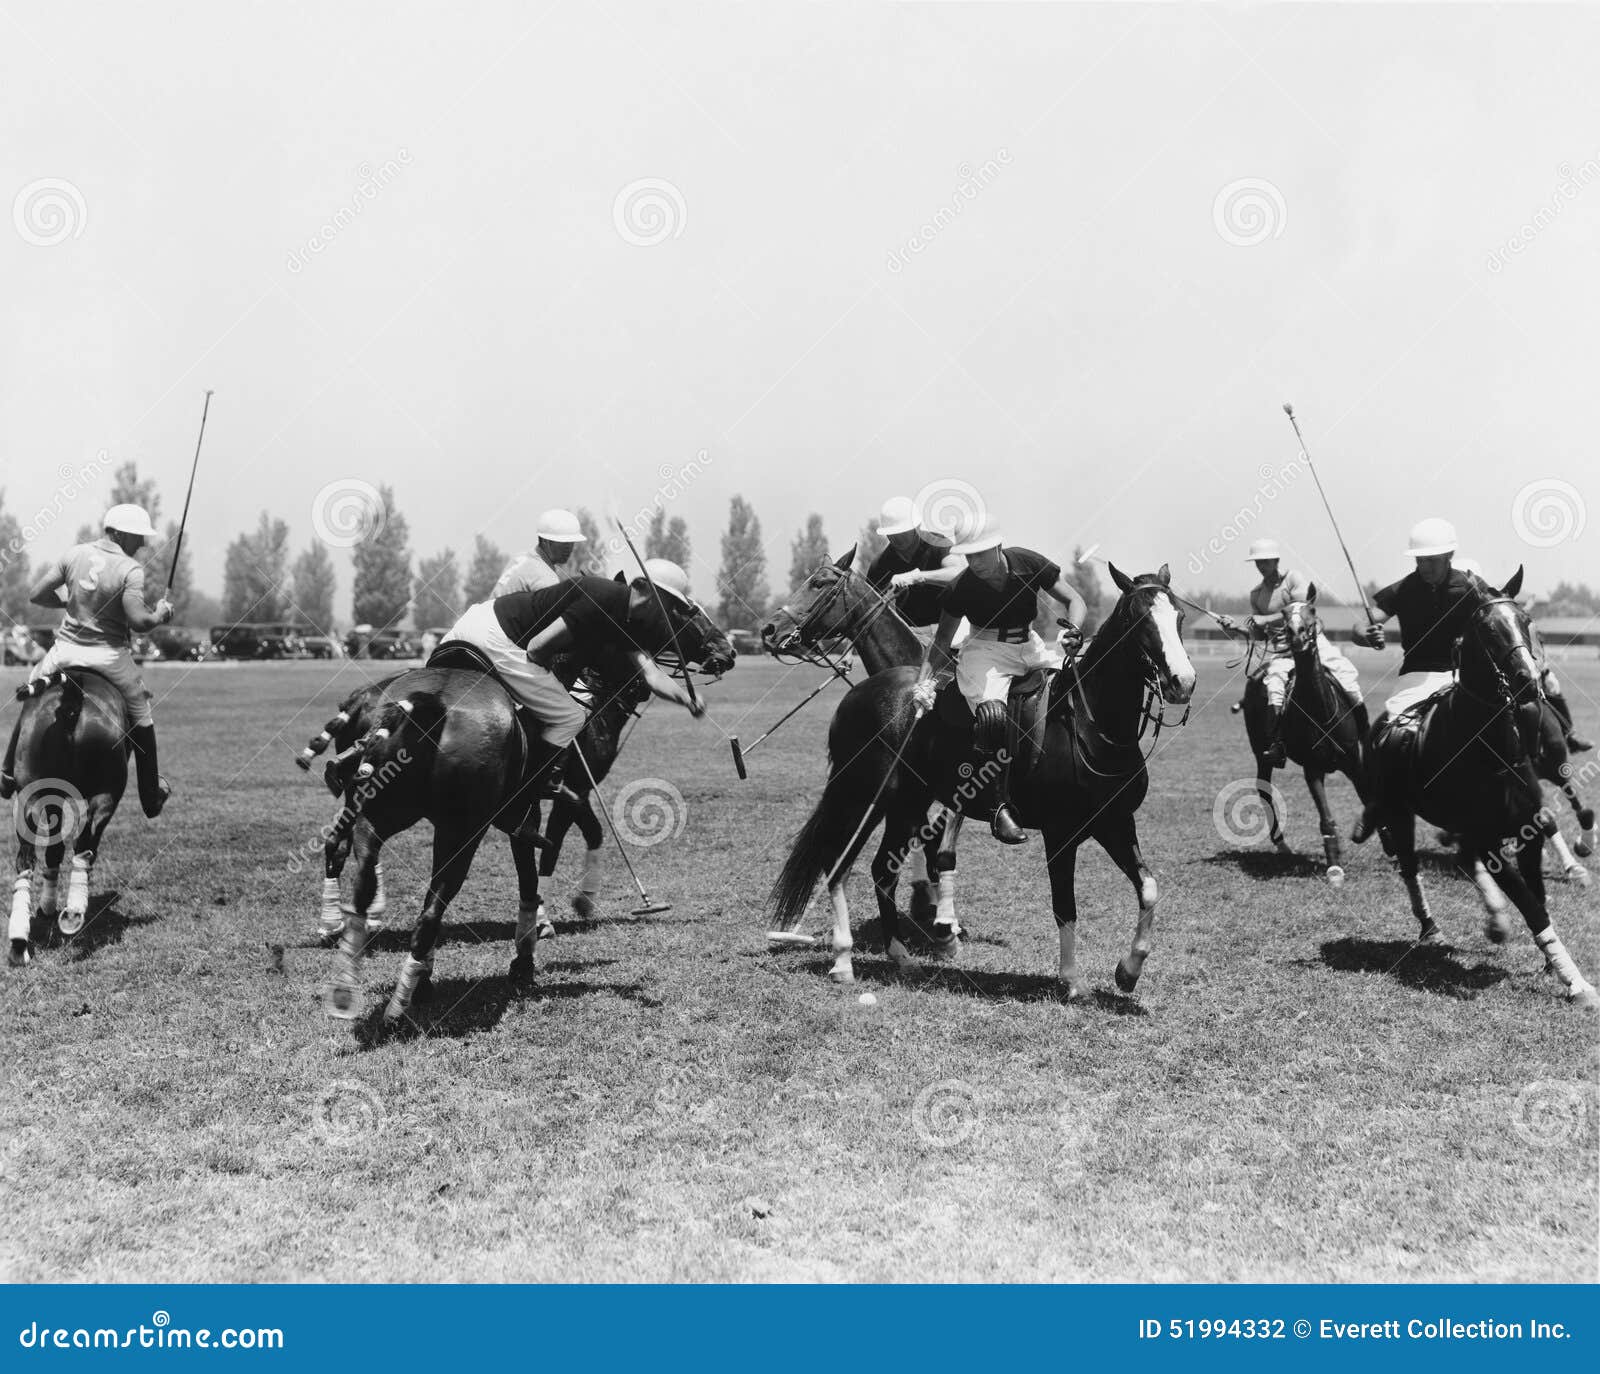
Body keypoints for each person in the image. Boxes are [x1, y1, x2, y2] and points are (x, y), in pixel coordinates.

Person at [441, 559, 703, 793]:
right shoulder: (603, 598)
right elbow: (537, 647)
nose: (670, 614)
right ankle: (524, 793)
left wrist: (686, 698)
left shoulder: (628, 620)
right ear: (655, 595)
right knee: (570, 717)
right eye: (672, 605)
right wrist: (556, 683)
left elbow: (651, 675)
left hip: (468, 625)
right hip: (496, 637)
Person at [911, 517, 1086, 844]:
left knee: (1083, 679)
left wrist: (1073, 630)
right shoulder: (961, 587)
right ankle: (998, 806)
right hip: (985, 651)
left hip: (1029, 645)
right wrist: (923, 682)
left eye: (980, 554)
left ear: (998, 547)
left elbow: (1075, 600)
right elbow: (941, 640)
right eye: (968, 556)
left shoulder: (1028, 562)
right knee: (992, 715)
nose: (974, 563)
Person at [1, 505, 174, 817]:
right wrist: (159, 614)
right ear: (119, 533)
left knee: (32, 693)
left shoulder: (75, 554)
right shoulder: (130, 569)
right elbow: (138, 621)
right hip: (110, 656)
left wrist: (69, 601)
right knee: (142, 714)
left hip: (65, 650)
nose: (143, 545)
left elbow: (37, 594)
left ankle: (7, 771)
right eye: (138, 538)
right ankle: (151, 794)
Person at [1348, 518, 1491, 843]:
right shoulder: (1403, 589)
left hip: (1464, 675)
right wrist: (1366, 635)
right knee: (1388, 735)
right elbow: (1363, 624)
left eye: (1431, 560)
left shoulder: (1470, 586)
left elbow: (1493, 616)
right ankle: (1377, 805)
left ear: (1449, 555)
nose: (1424, 566)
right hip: (1417, 675)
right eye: (1419, 560)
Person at [1213, 538, 1366, 766]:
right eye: (1257, 562)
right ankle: (1277, 745)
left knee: (1348, 678)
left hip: (1314, 646)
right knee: (1274, 689)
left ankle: (1366, 736)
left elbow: (1299, 609)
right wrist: (1237, 627)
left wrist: (1264, 619)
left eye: (1265, 561)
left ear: (1276, 561)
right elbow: (1261, 636)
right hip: (1284, 652)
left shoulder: (1293, 579)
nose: (1261, 566)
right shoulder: (1256, 594)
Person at [1455, 556, 1591, 754]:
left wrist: (1538, 665)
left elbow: (1524, 640)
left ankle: (1570, 735)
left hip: (1520, 664)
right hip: (1472, 675)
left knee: (1552, 683)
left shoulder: (1493, 608)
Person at [866, 496, 964, 627]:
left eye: (902, 532)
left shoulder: (938, 542)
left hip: (950, 628)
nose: (896, 537)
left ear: (917, 527)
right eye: (891, 533)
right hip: (909, 634)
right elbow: (866, 607)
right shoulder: (880, 565)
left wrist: (916, 577)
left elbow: (958, 573)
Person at [493, 508, 588, 596]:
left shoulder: (521, 558)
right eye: (564, 543)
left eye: (571, 542)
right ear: (545, 541)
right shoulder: (544, 577)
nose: (569, 548)